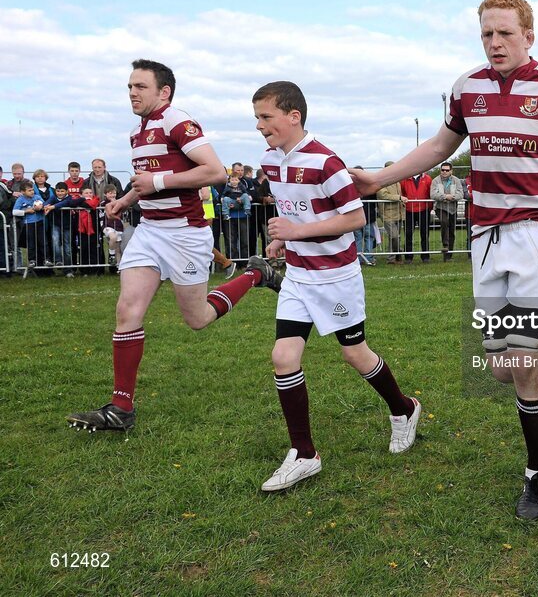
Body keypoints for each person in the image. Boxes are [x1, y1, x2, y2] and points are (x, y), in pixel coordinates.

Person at [351, 0, 538, 520]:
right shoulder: (466, 87)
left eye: (505, 33)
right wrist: (378, 177)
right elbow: (438, 148)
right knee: (504, 370)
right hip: (484, 237)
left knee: (523, 362)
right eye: (486, 33)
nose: (494, 42)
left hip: (537, 234)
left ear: (529, 35)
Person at [67, 59, 281, 433]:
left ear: (163, 92)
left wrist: (158, 183)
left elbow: (214, 172)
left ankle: (254, 274)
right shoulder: (137, 132)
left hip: (185, 233)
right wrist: (125, 201)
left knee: (197, 319)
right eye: (129, 87)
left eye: (140, 86)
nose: (132, 92)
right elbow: (145, 182)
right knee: (127, 311)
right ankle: (121, 408)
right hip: (150, 231)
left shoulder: (176, 120)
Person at [253, 81, 421, 492]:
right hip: (297, 276)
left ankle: (404, 409)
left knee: (354, 355)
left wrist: (299, 229)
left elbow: (355, 219)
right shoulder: (270, 161)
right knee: (283, 356)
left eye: (266, 117)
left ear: (294, 116)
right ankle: (304, 453)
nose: (259, 126)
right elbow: (293, 208)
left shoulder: (328, 163)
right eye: (256, 117)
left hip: (336, 278)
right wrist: (283, 237)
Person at [431, 161, 463, 261]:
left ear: (451, 171)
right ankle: (445, 244)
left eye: (447, 170)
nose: (444, 172)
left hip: (453, 208)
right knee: (444, 222)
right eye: (442, 170)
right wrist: (445, 196)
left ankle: (448, 256)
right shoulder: (436, 181)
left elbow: (460, 194)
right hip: (440, 207)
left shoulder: (456, 180)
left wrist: (451, 198)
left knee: (452, 231)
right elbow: (433, 194)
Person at [400, 172, 432, 263]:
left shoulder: (428, 178)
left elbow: (430, 193)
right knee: (408, 234)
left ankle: (425, 256)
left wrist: (429, 208)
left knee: (425, 234)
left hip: (424, 210)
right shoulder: (404, 179)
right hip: (409, 211)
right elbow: (402, 192)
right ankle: (408, 257)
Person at [377, 162, 403, 265]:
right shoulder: (381, 182)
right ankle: (395, 257)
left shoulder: (397, 181)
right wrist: (399, 198)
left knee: (396, 237)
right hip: (387, 214)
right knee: (394, 236)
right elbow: (383, 195)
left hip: (398, 213)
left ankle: (393, 258)